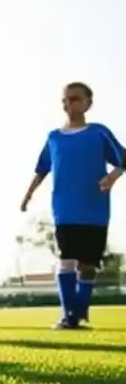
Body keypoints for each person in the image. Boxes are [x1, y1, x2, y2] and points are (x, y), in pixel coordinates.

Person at [21, 82, 124, 329]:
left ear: (89, 103)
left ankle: (80, 311)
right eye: (65, 100)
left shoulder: (98, 133)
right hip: (65, 209)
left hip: (95, 209)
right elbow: (42, 169)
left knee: (88, 265)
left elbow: (123, 159)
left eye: (75, 99)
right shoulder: (54, 137)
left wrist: (113, 176)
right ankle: (69, 316)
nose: (70, 104)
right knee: (66, 259)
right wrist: (27, 196)